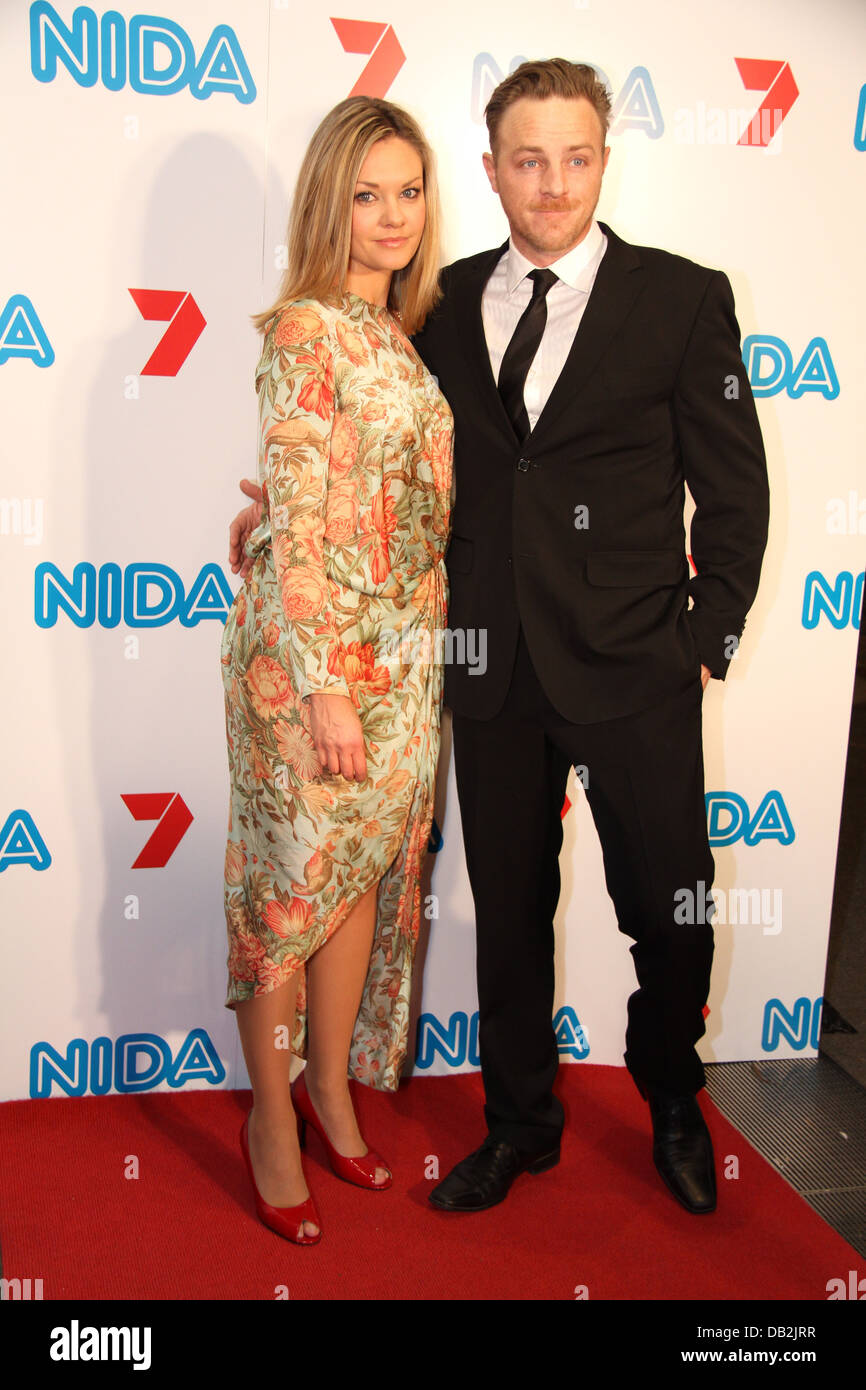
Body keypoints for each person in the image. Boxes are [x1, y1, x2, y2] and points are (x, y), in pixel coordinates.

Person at [230, 59, 769, 1219]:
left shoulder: (680, 299)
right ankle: (519, 1124)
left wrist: (699, 641)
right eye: (527, 159)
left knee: (668, 904)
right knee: (508, 915)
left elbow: (736, 493)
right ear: (490, 170)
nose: (552, 182)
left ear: (602, 164)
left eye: (575, 157)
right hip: (482, 669)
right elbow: (364, 457)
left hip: (634, 667)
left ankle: (672, 1096)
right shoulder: (432, 306)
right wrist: (273, 514)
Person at [221, 95, 453, 1244]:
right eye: (367, 192)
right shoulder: (307, 325)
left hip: (404, 656)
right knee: (287, 895)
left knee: (356, 879)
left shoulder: (399, 336)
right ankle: (270, 1119)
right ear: (328, 201)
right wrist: (320, 683)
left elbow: (338, 493)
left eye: (407, 189)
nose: (392, 213)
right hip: (317, 662)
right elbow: (305, 526)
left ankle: (327, 1090)